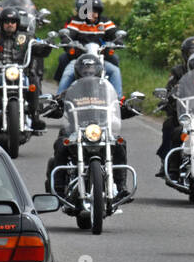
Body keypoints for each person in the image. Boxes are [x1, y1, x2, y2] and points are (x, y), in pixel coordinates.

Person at [45, 53, 140, 195]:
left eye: (91, 70)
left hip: (102, 129)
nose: (88, 73)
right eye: (85, 71)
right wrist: (52, 105)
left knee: (120, 143)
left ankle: (121, 186)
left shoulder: (107, 91)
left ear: (98, 71)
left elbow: (117, 104)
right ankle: (58, 187)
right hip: (74, 130)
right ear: (78, 72)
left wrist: (128, 107)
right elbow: (57, 104)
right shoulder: (69, 91)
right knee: (61, 144)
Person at [0, 7, 45, 132]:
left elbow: (38, 48)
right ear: (2, 23)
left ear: (17, 23)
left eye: (13, 22)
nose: (10, 24)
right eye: (7, 22)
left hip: (22, 74)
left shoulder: (26, 37)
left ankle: (35, 117)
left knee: (34, 80)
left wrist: (46, 46)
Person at [156, 36, 194, 176]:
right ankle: (169, 162)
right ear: (185, 54)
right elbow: (168, 90)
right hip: (184, 112)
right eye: (191, 52)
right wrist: (167, 99)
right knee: (170, 126)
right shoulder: (178, 71)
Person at [53, 0, 122, 96]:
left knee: (115, 71)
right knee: (68, 72)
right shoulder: (77, 21)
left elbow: (115, 33)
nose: (92, 14)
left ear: (99, 12)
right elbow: (68, 34)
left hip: (100, 60)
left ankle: (118, 100)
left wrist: (118, 40)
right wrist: (69, 42)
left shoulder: (105, 22)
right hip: (79, 60)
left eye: (95, 11)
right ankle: (58, 99)